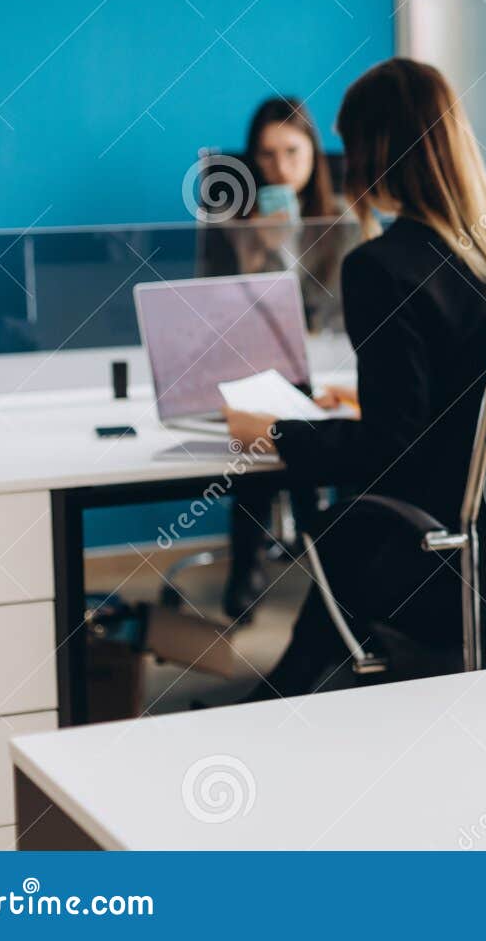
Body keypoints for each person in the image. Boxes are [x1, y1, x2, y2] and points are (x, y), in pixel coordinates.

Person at [223, 58, 486, 697]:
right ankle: (283, 690)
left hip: (432, 549)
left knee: (351, 527)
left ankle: (280, 693)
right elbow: (461, 398)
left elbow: (390, 448)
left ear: (370, 153)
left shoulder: (380, 266)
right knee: (353, 537)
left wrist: (276, 432)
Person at [207, 97, 347, 620]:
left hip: (328, 365)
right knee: (261, 435)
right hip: (256, 364)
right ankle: (247, 564)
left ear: (314, 152)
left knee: (306, 433)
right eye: (266, 156)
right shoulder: (233, 224)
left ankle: (327, 565)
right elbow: (218, 307)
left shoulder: (340, 222)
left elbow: (338, 309)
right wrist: (257, 249)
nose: (280, 167)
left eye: (292, 151)